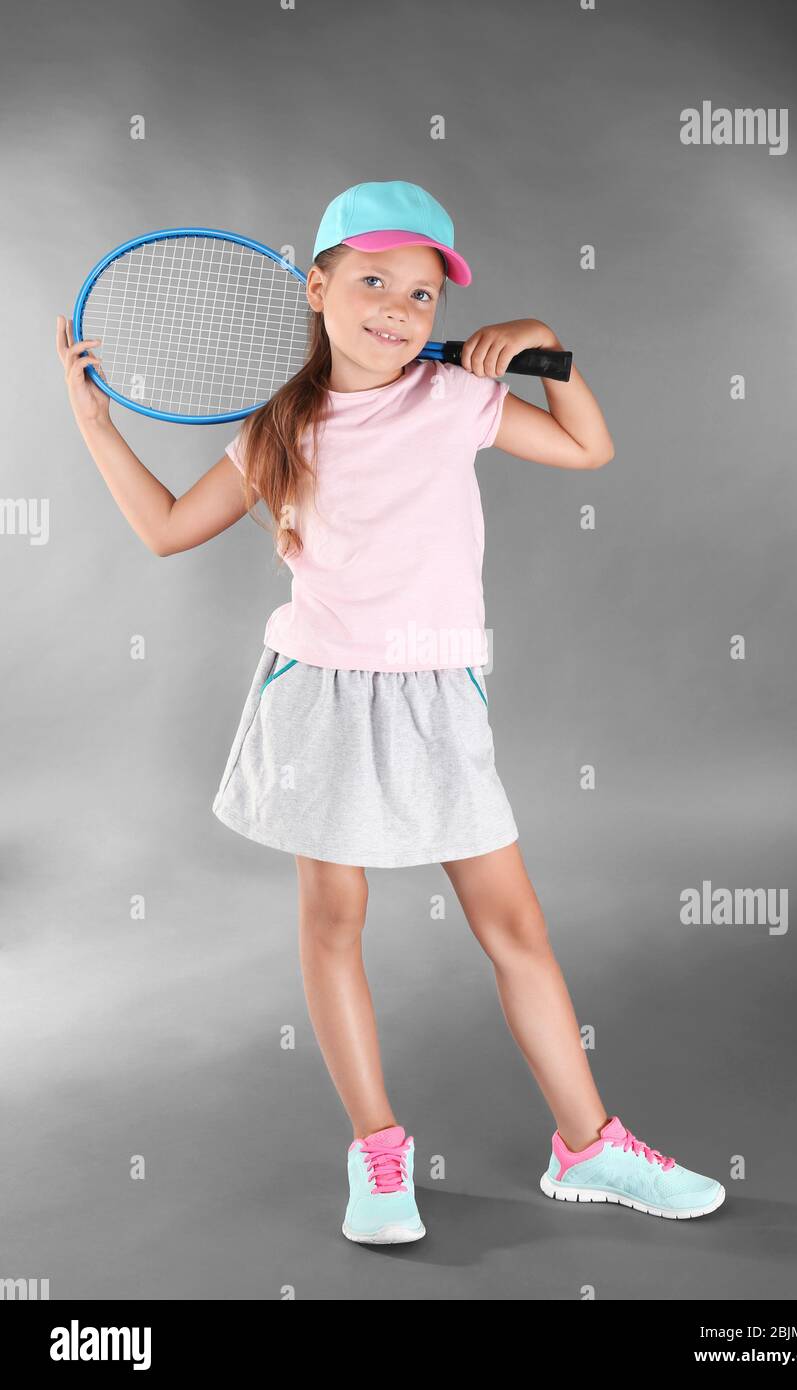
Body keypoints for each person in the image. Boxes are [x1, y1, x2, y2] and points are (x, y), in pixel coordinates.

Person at [57, 179, 725, 1245]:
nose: (397, 309)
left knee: (514, 926)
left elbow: (588, 447)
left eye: (421, 293)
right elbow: (169, 529)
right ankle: (378, 1153)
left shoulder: (455, 397)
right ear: (314, 285)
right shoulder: (279, 421)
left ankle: (588, 1146)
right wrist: (94, 423)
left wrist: (550, 340)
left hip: (437, 694)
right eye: (372, 280)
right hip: (318, 695)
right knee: (335, 925)